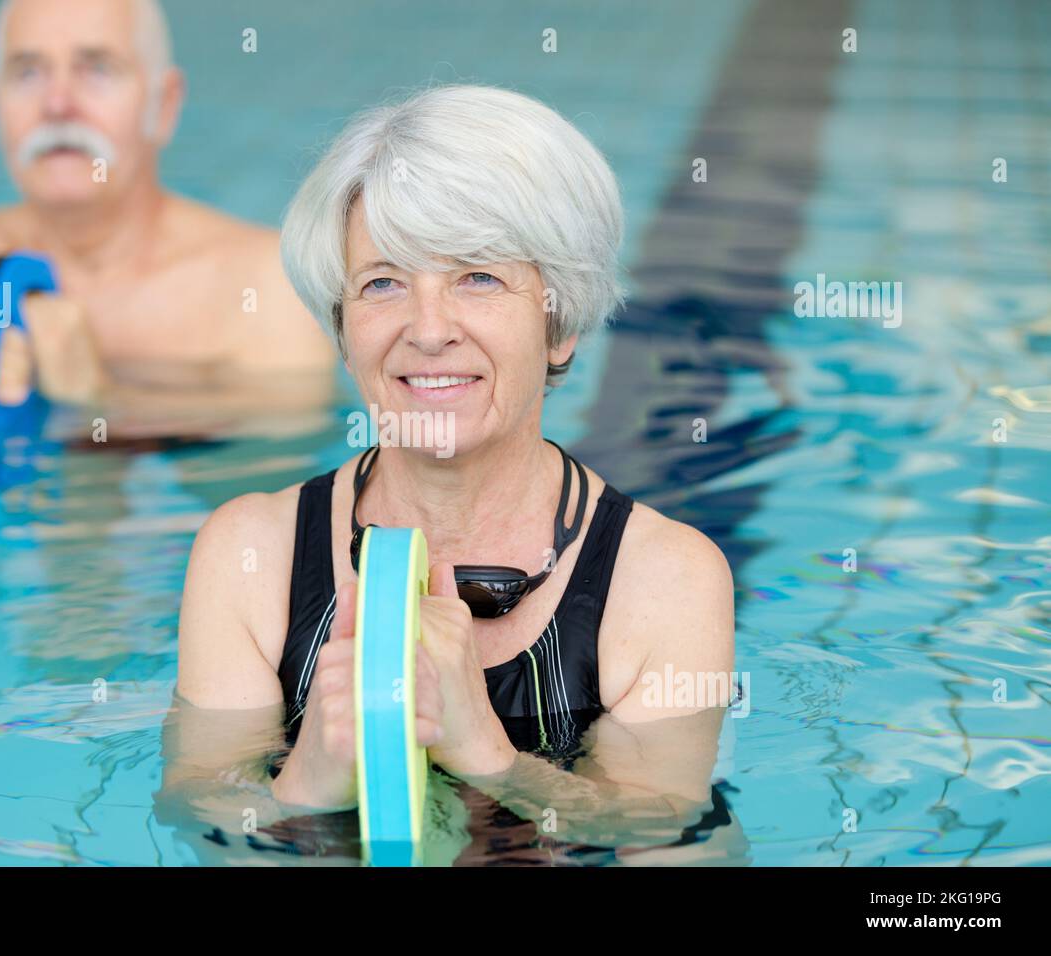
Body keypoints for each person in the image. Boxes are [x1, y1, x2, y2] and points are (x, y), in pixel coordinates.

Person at [175, 84, 735, 817]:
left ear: (558, 323)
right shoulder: (249, 556)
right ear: (344, 333)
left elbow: (665, 834)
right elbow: (194, 812)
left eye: (478, 277)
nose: (429, 329)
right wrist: (305, 783)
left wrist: (489, 757)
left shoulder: (665, 580)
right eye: (383, 283)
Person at [0, 0, 334, 423]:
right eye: (28, 72)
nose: (57, 104)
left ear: (163, 106)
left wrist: (95, 401)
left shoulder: (264, 286)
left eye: (97, 69)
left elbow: (275, 481)